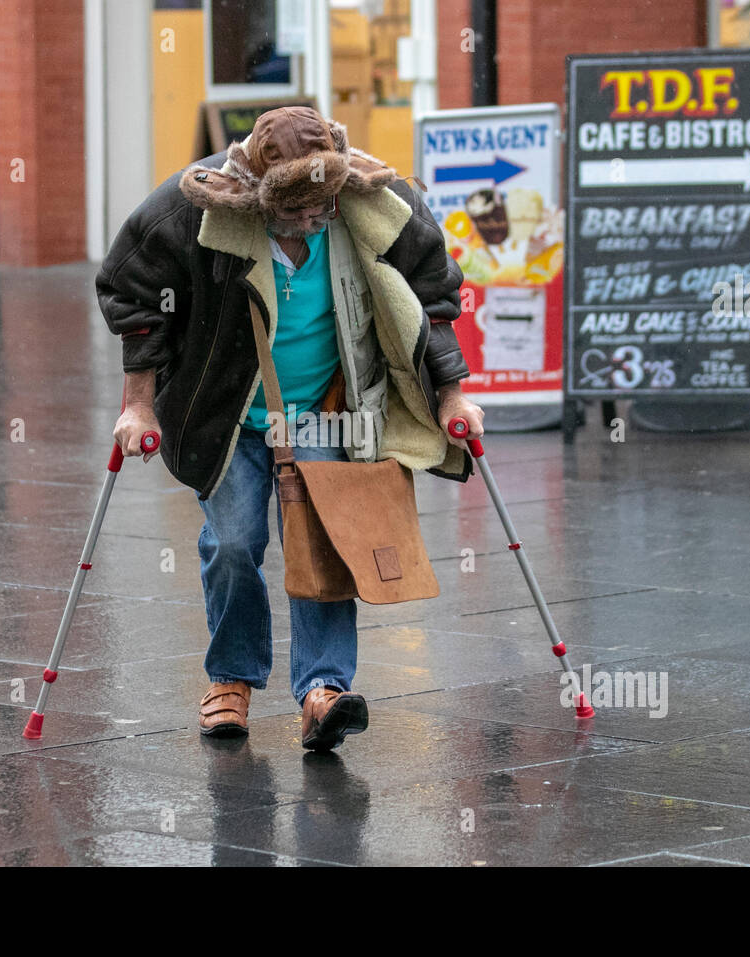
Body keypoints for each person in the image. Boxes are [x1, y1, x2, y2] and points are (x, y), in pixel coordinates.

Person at [97, 107, 484, 751]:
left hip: (327, 404)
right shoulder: (192, 208)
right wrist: (138, 403)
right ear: (259, 197)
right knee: (233, 543)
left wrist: (453, 395)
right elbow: (129, 289)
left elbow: (435, 294)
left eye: (321, 209)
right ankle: (232, 678)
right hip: (230, 414)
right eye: (294, 212)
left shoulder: (374, 202)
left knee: (326, 541)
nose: (310, 221)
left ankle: (322, 691)